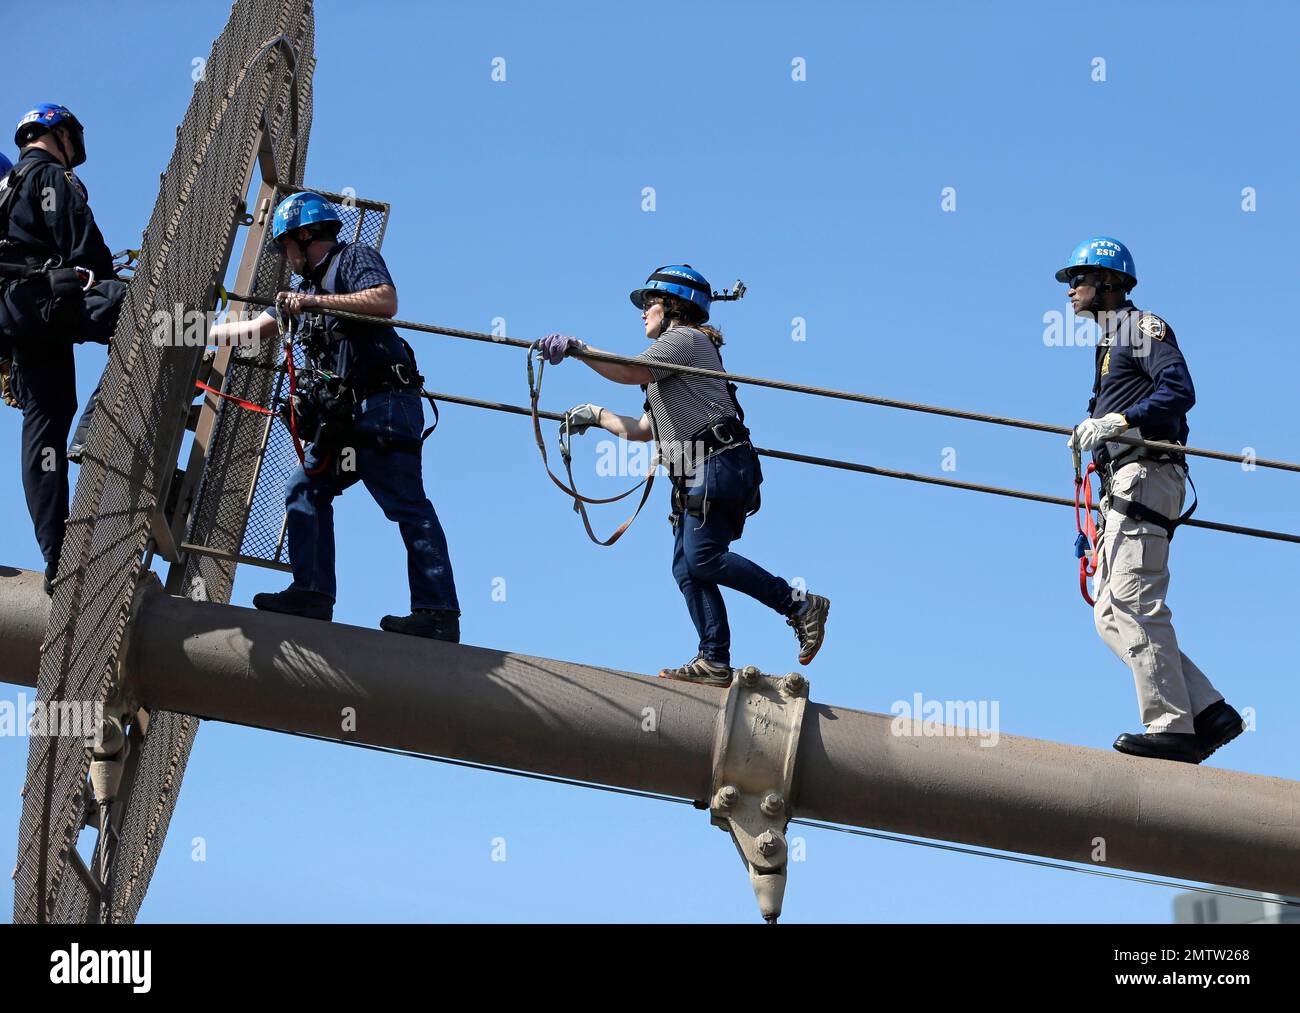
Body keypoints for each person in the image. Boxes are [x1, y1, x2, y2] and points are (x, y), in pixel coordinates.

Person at [536, 264, 830, 685]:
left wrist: (579, 349)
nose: (642, 312)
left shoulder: (683, 340)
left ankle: (799, 605)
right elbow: (641, 430)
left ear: (674, 305)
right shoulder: (666, 370)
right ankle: (714, 659)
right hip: (705, 470)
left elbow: (628, 371)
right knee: (688, 567)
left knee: (702, 557)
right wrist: (595, 415)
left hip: (718, 462)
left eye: (649, 303)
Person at [209, 191, 461, 641]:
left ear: (305, 237)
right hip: (346, 416)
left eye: (286, 246)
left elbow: (386, 301)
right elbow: (251, 330)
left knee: (405, 503)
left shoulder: (354, 260)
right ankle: (312, 594)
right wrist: (184, 331)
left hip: (385, 405)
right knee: (304, 488)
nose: (286, 257)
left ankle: (437, 612)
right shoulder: (302, 292)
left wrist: (315, 305)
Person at [1059, 236, 1242, 763]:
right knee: (1110, 614)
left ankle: (1171, 726)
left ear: (1109, 282)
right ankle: (1207, 710)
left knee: (1135, 603)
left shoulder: (1140, 329)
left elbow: (1180, 389)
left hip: (1146, 476)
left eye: (1079, 279)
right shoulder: (1110, 342)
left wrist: (1120, 421)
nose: (1071, 290)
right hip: (1123, 480)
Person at [0, 104, 126, 595]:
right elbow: (85, 251)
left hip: (16, 318)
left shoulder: (6, 189)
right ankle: (96, 428)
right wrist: (110, 281)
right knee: (145, 313)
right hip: (46, 302)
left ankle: (57, 556)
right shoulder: (49, 176)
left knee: (44, 427)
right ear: (59, 134)